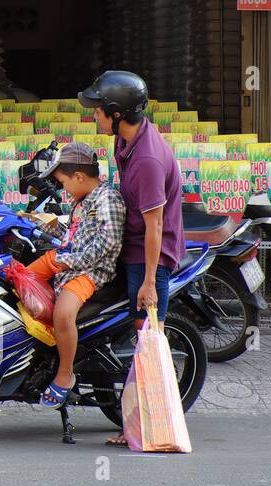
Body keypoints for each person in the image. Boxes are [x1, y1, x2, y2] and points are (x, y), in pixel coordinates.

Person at [79, 70, 184, 444]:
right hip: (133, 244)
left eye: (98, 110)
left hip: (149, 255)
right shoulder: (126, 142)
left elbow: (155, 227)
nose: (93, 115)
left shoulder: (148, 160)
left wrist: (151, 283)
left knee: (146, 338)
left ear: (116, 114)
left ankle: (147, 425)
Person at [23, 143, 126, 409]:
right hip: (70, 263)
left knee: (63, 312)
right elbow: (74, 237)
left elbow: (109, 244)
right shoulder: (81, 202)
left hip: (92, 272)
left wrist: (68, 261)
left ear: (79, 177)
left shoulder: (107, 199)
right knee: (20, 280)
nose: (63, 188)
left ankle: (65, 374)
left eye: (63, 181)